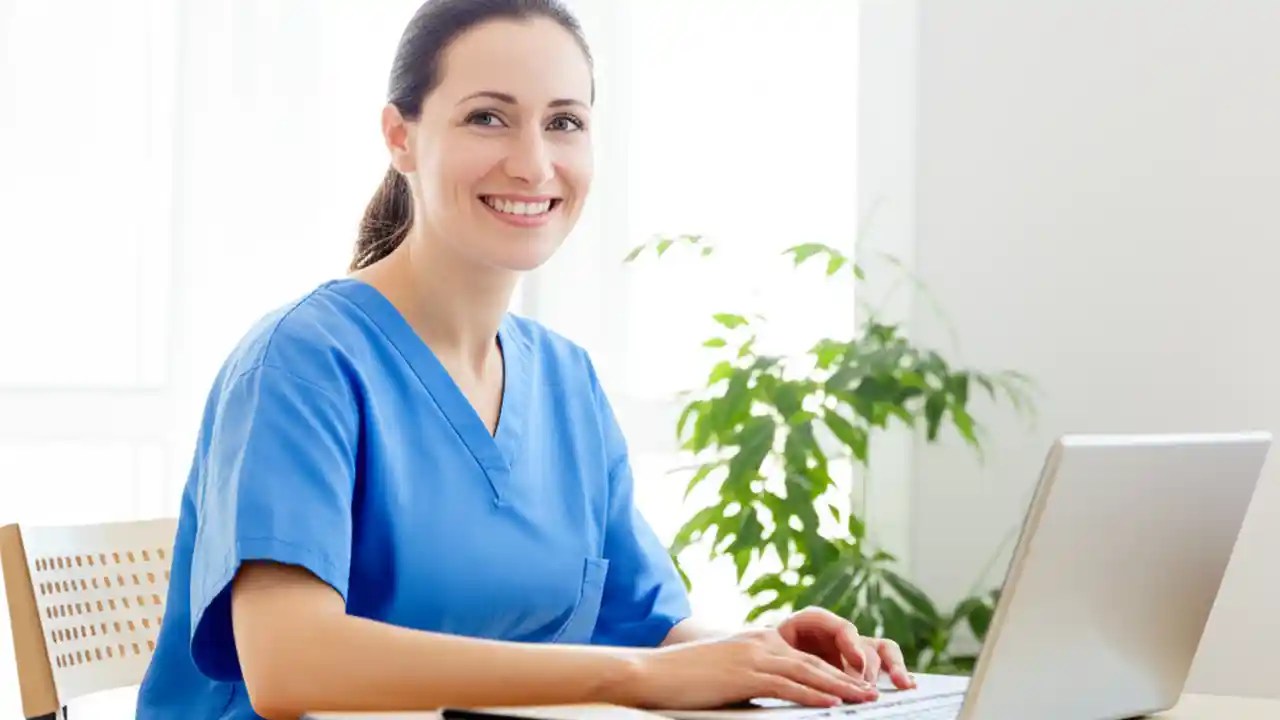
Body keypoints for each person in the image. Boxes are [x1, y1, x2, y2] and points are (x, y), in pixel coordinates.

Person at [134, 1, 915, 718]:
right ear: (400, 136)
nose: (534, 164)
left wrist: (764, 656)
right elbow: (290, 665)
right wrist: (630, 678)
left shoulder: (566, 381)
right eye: (487, 118)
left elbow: (649, 628)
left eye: (565, 122)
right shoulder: (302, 362)